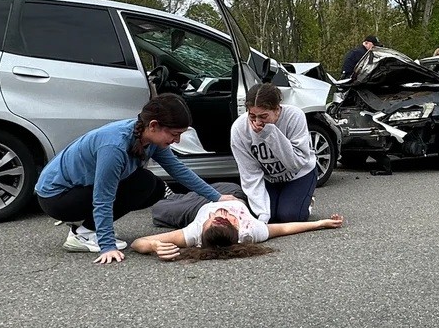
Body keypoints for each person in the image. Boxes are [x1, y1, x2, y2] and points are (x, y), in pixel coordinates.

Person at [35, 94, 240, 264]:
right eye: (174, 134)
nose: (176, 140)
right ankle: (84, 234)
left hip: (77, 191)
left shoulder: (147, 138)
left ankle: (87, 227)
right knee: (140, 184)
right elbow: (103, 197)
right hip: (57, 198)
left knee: (152, 186)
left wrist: (217, 197)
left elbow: (179, 170)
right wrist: (107, 246)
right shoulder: (114, 147)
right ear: (154, 125)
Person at [132, 192, 344, 263]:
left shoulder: (193, 234)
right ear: (239, 230)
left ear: (203, 228)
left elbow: (137, 243)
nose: (221, 213)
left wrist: (153, 245)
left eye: (214, 219)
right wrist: (320, 223)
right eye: (225, 219)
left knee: (160, 210)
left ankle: (176, 196)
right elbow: (286, 228)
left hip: (200, 204)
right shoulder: (251, 232)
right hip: (232, 194)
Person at [230, 83, 317, 224]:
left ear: (277, 109)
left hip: (299, 174)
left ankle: (306, 200)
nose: (257, 122)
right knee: (266, 217)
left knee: (289, 216)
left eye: (263, 116)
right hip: (269, 178)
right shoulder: (239, 129)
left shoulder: (295, 116)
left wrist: (270, 132)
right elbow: (250, 174)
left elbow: (296, 163)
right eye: (252, 116)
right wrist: (262, 214)